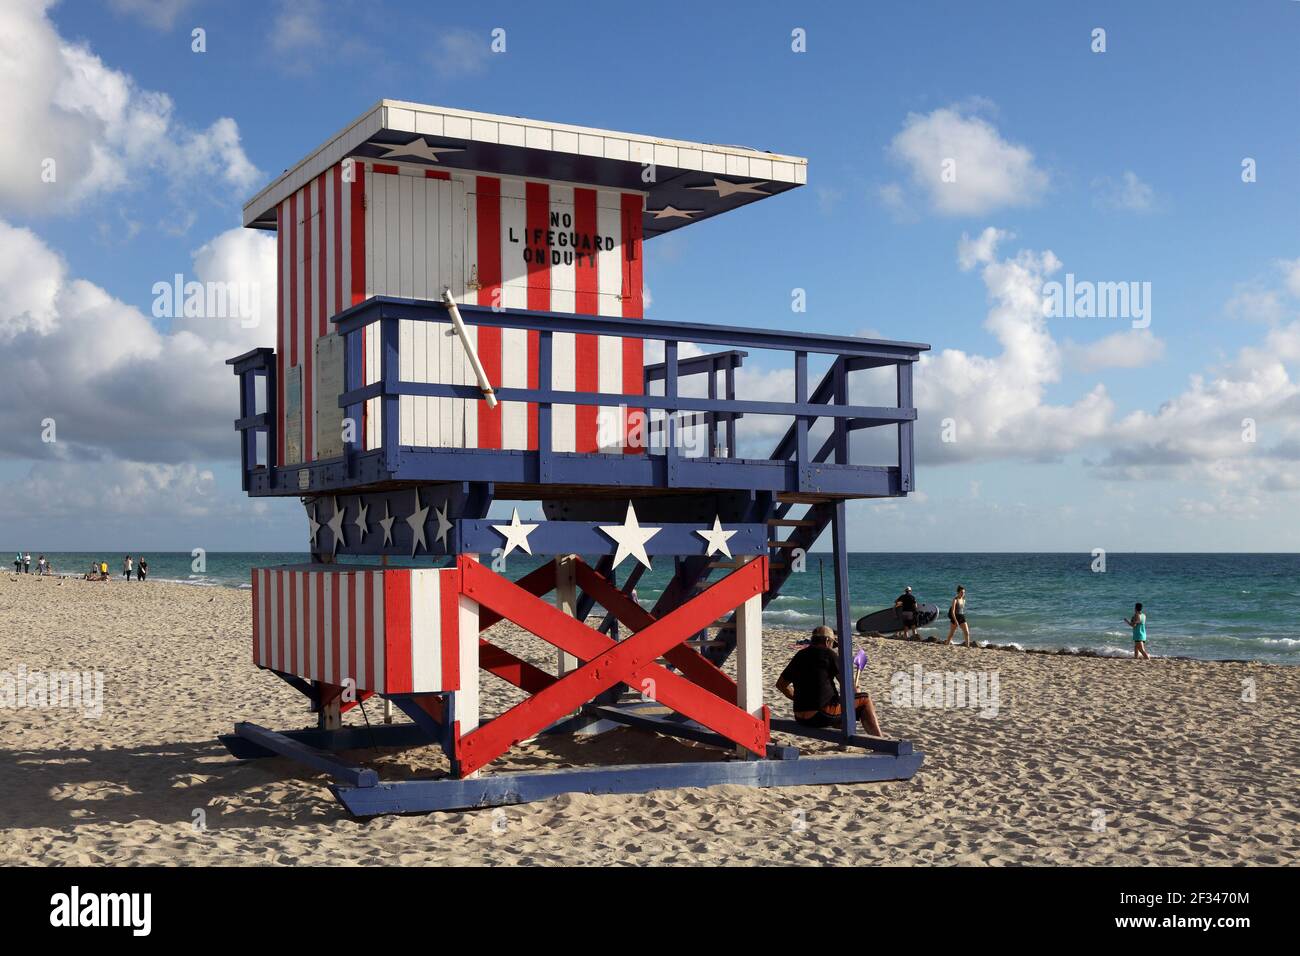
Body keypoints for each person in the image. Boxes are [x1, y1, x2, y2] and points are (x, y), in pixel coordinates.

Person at [776, 624, 884, 737]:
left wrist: (798, 698)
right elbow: (848, 687)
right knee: (864, 699)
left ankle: (843, 743)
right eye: (833, 643)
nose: (832, 647)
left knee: (839, 702)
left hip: (800, 716)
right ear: (828, 641)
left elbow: (781, 685)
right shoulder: (829, 654)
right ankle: (880, 741)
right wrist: (856, 689)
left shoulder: (799, 655)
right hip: (822, 714)